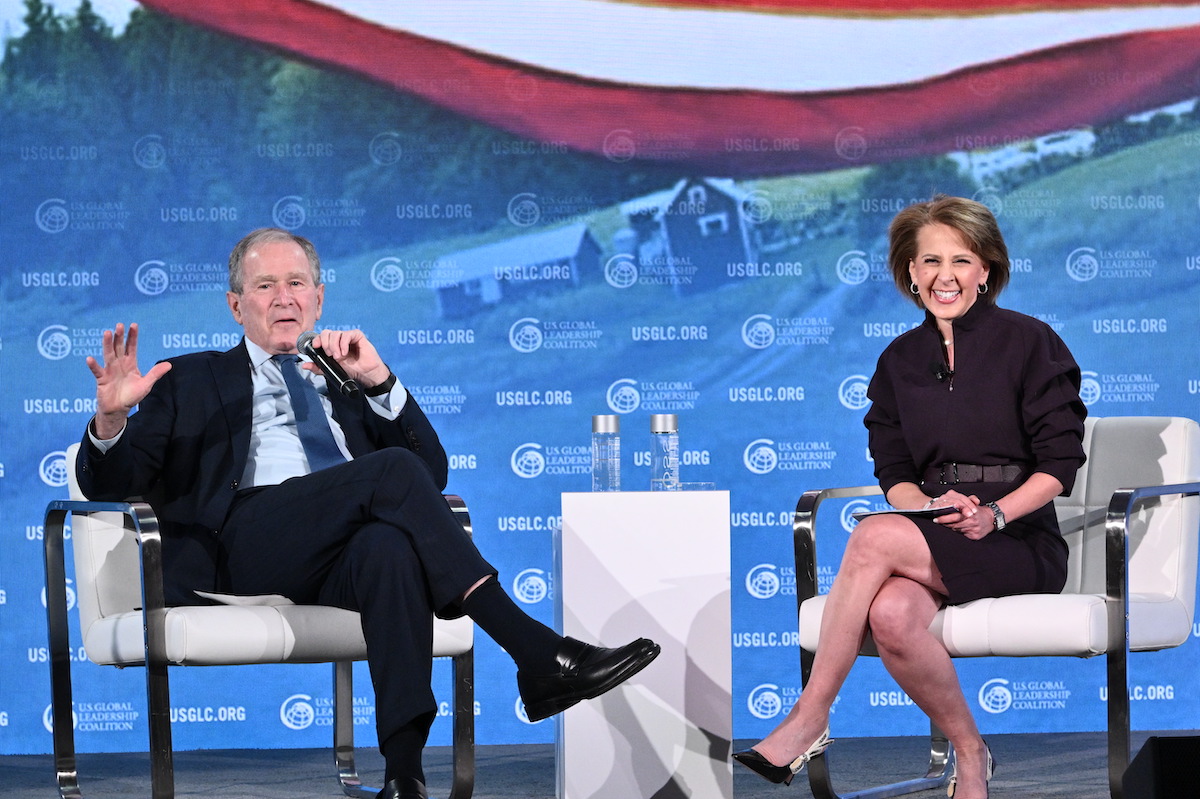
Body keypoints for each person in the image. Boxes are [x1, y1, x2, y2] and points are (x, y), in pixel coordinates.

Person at [77, 227, 660, 799]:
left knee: (390, 551)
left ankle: (404, 775)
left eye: (297, 282)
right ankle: (533, 649)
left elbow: (431, 478)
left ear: (319, 297)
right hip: (241, 543)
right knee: (392, 472)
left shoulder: (347, 380)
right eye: (265, 286)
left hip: (334, 551)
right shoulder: (191, 378)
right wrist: (110, 422)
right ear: (236, 305)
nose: (284, 297)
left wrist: (379, 381)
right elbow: (112, 483)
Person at [733, 196, 1086, 799]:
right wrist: (929, 509)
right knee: (893, 616)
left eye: (961, 260)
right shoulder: (899, 359)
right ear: (910, 273)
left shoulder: (1030, 342)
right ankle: (971, 755)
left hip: (1019, 538)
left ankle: (809, 716)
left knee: (872, 534)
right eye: (929, 261)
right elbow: (894, 472)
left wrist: (994, 513)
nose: (944, 276)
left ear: (986, 270)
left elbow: (1059, 465)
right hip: (938, 526)